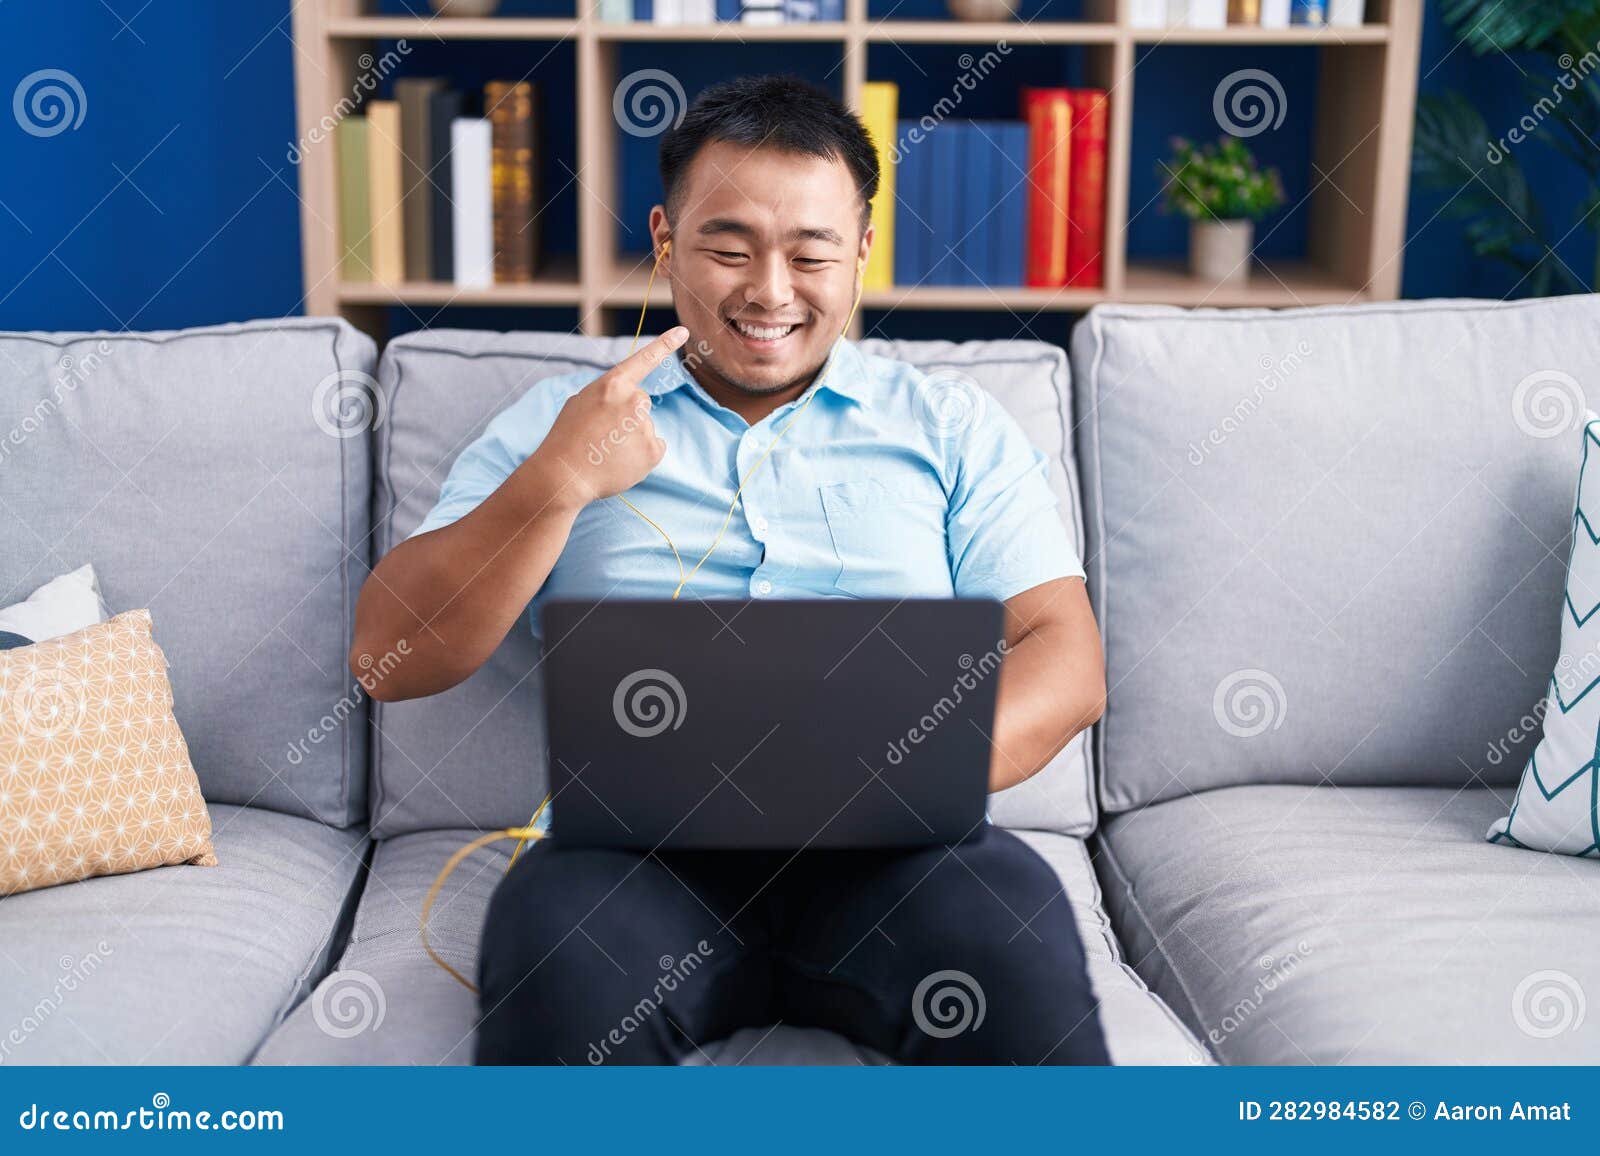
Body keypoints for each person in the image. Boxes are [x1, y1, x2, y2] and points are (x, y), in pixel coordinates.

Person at [349, 74, 1110, 1065]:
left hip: (902, 858)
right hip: (631, 871)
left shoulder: (952, 428)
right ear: (665, 240)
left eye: (810, 252)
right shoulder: (556, 425)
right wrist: (559, 483)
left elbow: (1067, 656)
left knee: (1011, 942)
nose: (769, 291)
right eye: (728, 246)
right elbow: (386, 657)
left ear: (862, 251)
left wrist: (904, 773)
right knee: (559, 960)